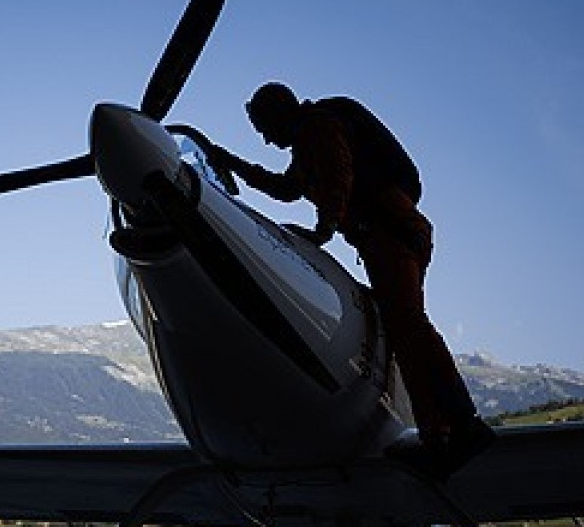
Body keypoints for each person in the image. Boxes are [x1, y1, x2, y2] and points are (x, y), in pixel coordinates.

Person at [209, 81, 493, 479]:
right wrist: (226, 160)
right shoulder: (307, 142)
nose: (267, 140)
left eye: (264, 128)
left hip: (388, 233)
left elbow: (337, 174)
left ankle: (462, 425)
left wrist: (324, 228)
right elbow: (285, 189)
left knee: (408, 326)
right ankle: (439, 437)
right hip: (390, 234)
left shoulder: (317, 127)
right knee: (403, 330)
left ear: (278, 113)